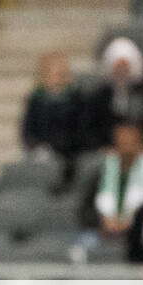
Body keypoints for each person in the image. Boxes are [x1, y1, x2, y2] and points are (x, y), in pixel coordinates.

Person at [89, 37, 143, 152]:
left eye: (125, 67)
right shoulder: (101, 96)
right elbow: (93, 128)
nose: (121, 71)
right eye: (118, 67)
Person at [20, 51, 86, 190]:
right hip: (44, 155)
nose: (58, 78)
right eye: (53, 73)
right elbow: (28, 132)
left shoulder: (77, 99)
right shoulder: (36, 100)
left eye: (62, 73)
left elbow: (83, 129)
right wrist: (38, 147)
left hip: (72, 155)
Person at [79, 122, 143, 239]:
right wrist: (102, 220)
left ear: (142, 145)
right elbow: (85, 210)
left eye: (132, 143)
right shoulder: (101, 174)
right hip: (104, 232)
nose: (127, 148)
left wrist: (133, 223)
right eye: (122, 143)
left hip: (141, 235)